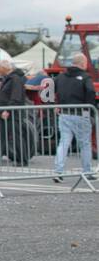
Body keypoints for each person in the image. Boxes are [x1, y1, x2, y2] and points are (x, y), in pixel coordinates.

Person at [52, 52, 97, 181]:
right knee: (84, 144)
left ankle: (58, 172)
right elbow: (90, 92)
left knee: (63, 143)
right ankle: (87, 172)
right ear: (83, 63)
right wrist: (90, 109)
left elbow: (48, 89)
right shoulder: (85, 77)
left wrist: (55, 104)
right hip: (81, 114)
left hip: (64, 114)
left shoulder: (60, 77)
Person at [0, 60, 28, 163]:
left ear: (5, 68)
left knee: (16, 137)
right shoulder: (8, 79)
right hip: (7, 113)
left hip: (12, 114)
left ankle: (23, 160)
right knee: (2, 137)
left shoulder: (15, 79)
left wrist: (8, 110)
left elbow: (16, 97)